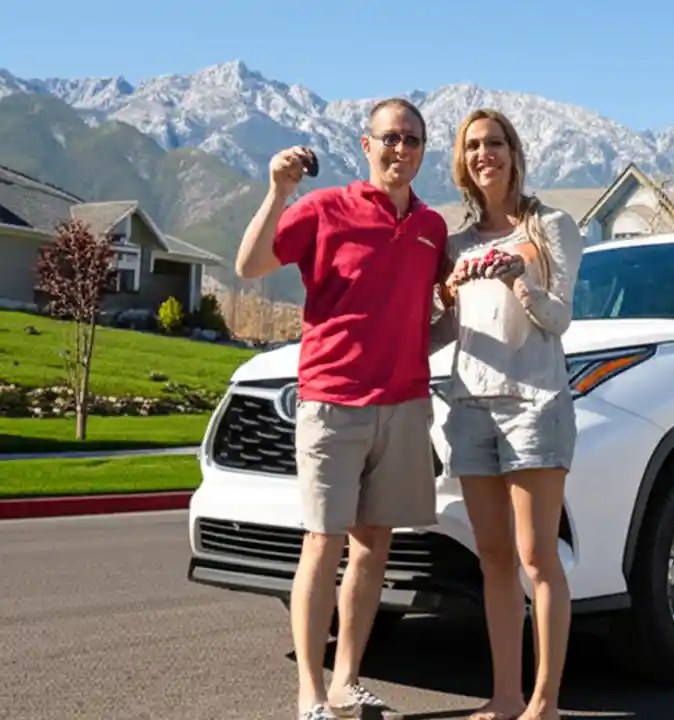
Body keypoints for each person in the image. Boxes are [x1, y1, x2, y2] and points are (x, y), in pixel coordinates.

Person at [234, 97, 449, 720]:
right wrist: (277, 190)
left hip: (404, 406)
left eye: (411, 140)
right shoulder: (327, 208)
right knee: (321, 544)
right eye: (390, 138)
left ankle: (348, 679)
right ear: (366, 144)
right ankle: (310, 690)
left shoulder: (432, 227)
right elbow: (250, 265)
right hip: (332, 402)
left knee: (372, 547)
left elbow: (435, 310)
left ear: (421, 150)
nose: (400, 149)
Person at [435, 108, 583, 720]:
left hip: (533, 407)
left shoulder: (551, 225)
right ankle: (504, 697)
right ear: (462, 161)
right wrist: (440, 302)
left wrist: (520, 277)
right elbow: (448, 331)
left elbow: (559, 318)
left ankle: (544, 702)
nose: (484, 153)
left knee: (535, 556)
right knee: (492, 558)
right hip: (468, 407)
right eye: (473, 145)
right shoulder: (454, 243)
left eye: (494, 142)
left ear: (514, 152)